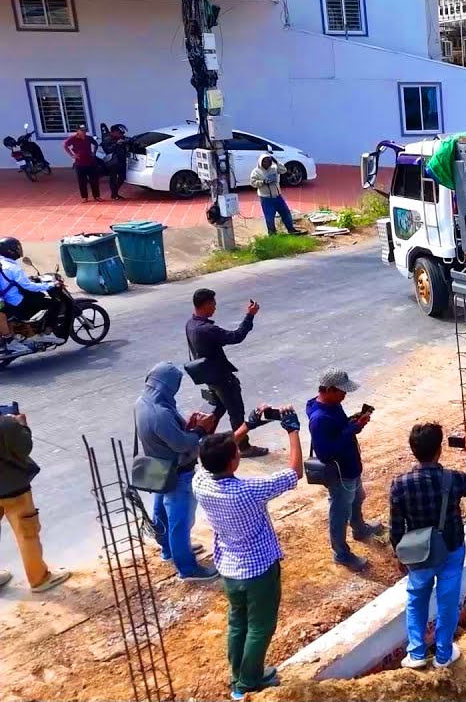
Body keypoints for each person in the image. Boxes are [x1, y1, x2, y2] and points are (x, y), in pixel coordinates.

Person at [192, 407, 303, 700]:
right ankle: (248, 682)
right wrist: (292, 430)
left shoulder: (200, 482)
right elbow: (295, 473)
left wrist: (247, 425)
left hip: (229, 567)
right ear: (233, 461)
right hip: (259, 570)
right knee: (260, 626)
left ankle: (237, 674)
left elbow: (211, 458)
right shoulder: (249, 491)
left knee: (237, 622)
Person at [393, 423, 466, 671]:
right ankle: (443, 655)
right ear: (439, 450)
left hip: (419, 554)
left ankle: (416, 654)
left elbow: (395, 528)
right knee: (447, 601)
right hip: (451, 548)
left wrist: (399, 555)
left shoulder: (400, 484)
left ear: (413, 449)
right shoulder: (453, 479)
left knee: (416, 599)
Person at [135, 362, 219, 581]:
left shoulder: (142, 402)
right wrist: (201, 430)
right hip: (177, 470)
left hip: (157, 467)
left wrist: (187, 424)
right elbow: (182, 445)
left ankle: (169, 551)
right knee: (180, 522)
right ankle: (188, 569)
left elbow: (166, 434)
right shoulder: (160, 413)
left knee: (160, 512)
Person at [306, 368, 384, 571]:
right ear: (329, 389)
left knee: (358, 498)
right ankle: (341, 553)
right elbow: (325, 453)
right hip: (340, 475)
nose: (345, 395)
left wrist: (352, 422)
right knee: (339, 514)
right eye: (342, 391)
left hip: (350, 468)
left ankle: (359, 528)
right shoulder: (320, 419)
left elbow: (338, 430)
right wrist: (352, 429)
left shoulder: (332, 405)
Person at [186, 288, 268, 457]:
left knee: (219, 407)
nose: (215, 307)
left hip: (208, 376)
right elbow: (236, 336)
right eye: (213, 304)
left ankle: (202, 436)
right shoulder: (207, 330)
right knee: (236, 411)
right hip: (221, 377)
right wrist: (250, 315)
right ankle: (243, 447)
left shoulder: (191, 324)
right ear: (206, 304)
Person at [0, 412, 72, 593]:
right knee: (27, 533)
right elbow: (24, 447)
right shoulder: (6, 424)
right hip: (12, 489)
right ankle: (39, 578)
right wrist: (21, 425)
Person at [0, 237, 60, 348]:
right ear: (10, 250)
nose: (19, 250)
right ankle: (45, 333)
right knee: (53, 303)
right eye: (17, 248)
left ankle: (29, 331)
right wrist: (51, 285)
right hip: (17, 303)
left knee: (36, 297)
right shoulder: (12, 268)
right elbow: (29, 286)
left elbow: (13, 281)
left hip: (6, 300)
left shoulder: (2, 263)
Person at [249, 155, 299, 236]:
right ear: (260, 162)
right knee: (269, 217)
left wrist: (276, 162)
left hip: (277, 196)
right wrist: (263, 182)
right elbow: (253, 183)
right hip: (266, 198)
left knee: (286, 213)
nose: (266, 163)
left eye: (268, 161)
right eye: (264, 162)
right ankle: (272, 233)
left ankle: (291, 229)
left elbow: (284, 170)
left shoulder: (274, 168)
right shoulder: (256, 172)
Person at [63, 125, 101, 203]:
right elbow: (65, 145)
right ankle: (84, 197)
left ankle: (96, 196)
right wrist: (72, 155)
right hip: (80, 163)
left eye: (85, 131)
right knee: (82, 181)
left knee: (94, 180)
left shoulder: (88, 138)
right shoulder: (72, 139)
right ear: (78, 131)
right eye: (82, 130)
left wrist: (94, 152)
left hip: (90, 162)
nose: (84, 132)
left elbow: (96, 144)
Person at [101, 125, 130, 201]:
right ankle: (114, 194)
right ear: (114, 132)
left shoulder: (120, 137)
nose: (121, 134)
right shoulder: (107, 138)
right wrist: (116, 144)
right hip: (112, 161)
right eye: (119, 132)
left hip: (121, 160)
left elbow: (127, 139)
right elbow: (108, 149)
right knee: (113, 178)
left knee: (122, 177)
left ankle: (115, 192)